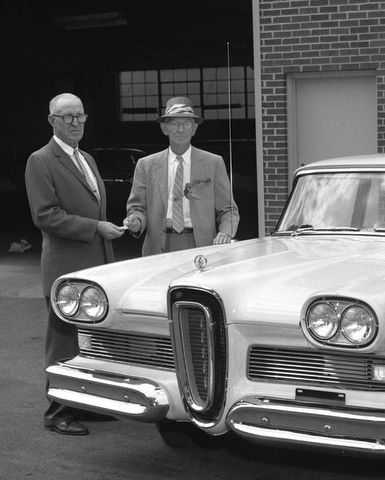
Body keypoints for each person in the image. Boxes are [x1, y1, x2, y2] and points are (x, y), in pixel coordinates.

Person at [24, 93, 126, 436]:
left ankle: (83, 404)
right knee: (64, 339)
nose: (75, 122)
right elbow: (45, 216)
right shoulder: (40, 160)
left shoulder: (87, 159)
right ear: (51, 120)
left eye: (80, 116)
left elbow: (90, 206)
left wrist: (103, 228)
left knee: (89, 340)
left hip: (95, 264)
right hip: (66, 267)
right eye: (66, 117)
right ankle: (57, 412)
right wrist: (95, 228)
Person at [124, 96, 238, 255]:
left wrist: (225, 232)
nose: (180, 129)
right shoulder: (146, 165)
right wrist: (136, 221)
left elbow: (229, 210)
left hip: (202, 246)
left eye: (186, 124)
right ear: (164, 129)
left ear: (194, 129)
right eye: (174, 124)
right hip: (158, 247)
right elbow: (137, 208)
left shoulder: (213, 163)